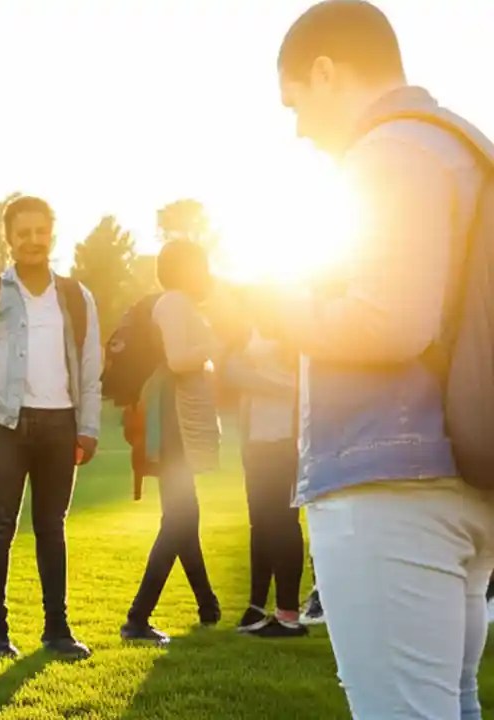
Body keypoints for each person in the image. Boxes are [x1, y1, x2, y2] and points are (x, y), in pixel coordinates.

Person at [259, 2, 494, 716]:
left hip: (389, 481)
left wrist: (269, 310)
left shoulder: (388, 151)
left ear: (326, 72)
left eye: (295, 102)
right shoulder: (466, 148)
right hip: (461, 474)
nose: (298, 128)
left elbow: (391, 321)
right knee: (447, 704)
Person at [0, 195, 102, 660]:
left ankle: (57, 630)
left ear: (51, 235)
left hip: (61, 422)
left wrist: (88, 427)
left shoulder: (76, 297)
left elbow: (91, 365)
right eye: (23, 233)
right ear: (9, 238)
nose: (33, 240)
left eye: (41, 232)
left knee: (51, 527)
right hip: (4, 422)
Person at [120, 239, 222, 645]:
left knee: (185, 517)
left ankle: (208, 606)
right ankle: (137, 619)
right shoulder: (175, 303)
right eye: (201, 263)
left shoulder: (175, 303)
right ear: (186, 269)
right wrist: (217, 346)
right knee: (179, 519)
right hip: (173, 419)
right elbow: (180, 359)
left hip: (173, 416)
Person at [222, 331, 307, 638]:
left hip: (285, 444)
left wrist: (251, 377)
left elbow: (300, 388)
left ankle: (288, 616)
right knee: (260, 526)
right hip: (256, 443)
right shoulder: (252, 331)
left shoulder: (295, 330)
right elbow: (231, 370)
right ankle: (256, 610)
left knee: (284, 525)